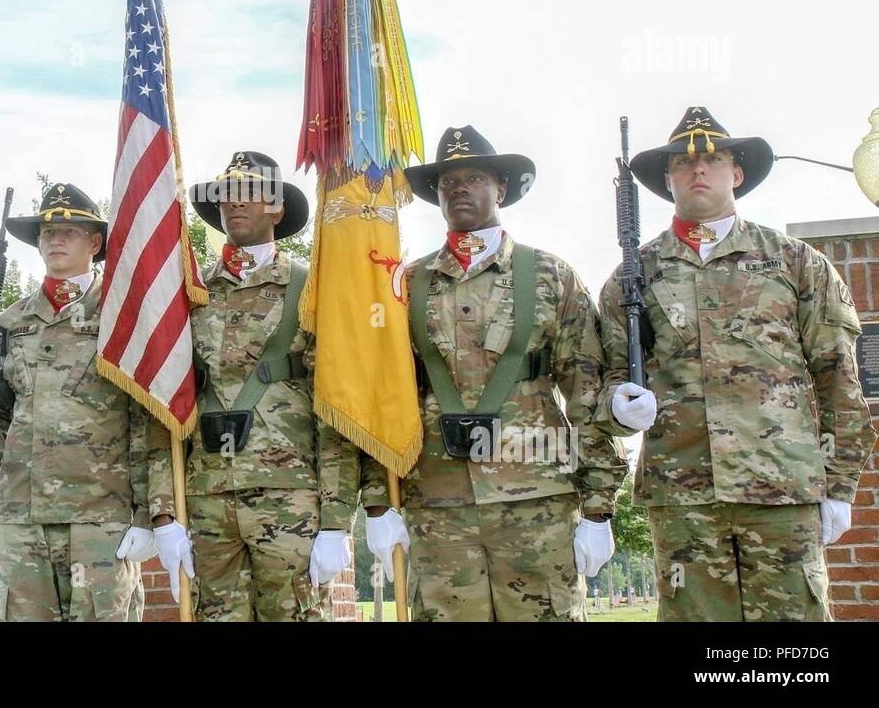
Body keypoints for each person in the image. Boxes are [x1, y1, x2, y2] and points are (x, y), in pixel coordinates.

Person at [597, 107, 876, 620]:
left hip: (781, 490)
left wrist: (839, 486)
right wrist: (616, 404)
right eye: (682, 162)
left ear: (737, 173)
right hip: (684, 496)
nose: (697, 170)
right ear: (667, 179)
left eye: (713, 159)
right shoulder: (634, 276)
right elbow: (607, 376)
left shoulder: (795, 262)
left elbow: (839, 381)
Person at [362, 125, 628, 621]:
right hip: (439, 504)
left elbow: (586, 391)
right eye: (448, 182)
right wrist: (379, 500)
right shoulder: (406, 283)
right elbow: (382, 399)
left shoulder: (549, 275)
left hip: (537, 501)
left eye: (475, 177)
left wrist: (599, 504)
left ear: (501, 188)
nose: (459, 188)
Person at [148, 151, 360, 620]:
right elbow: (163, 408)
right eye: (226, 194)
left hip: (290, 501)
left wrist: (337, 520)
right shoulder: (190, 295)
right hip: (206, 501)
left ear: (276, 208)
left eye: (249, 193)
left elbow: (337, 409)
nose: (235, 203)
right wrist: (164, 512)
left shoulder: (310, 291)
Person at [0, 182, 155, 621]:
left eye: (71, 231)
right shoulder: (11, 321)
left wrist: (150, 514)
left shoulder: (122, 316)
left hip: (100, 517)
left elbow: (148, 419)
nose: (55, 240)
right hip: (22, 518)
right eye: (46, 233)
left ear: (95, 243)